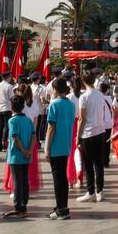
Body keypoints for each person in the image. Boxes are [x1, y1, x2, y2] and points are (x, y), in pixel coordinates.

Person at [76, 71, 109, 203]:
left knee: (89, 164)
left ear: (83, 82)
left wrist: (78, 136)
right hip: (100, 131)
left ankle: (91, 192)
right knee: (99, 164)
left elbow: (82, 119)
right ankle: (100, 191)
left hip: (88, 133)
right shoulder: (101, 95)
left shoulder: (83, 97)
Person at [45, 78, 76, 220]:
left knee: (58, 178)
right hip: (66, 144)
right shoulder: (70, 104)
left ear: (55, 90)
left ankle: (61, 209)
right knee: (63, 177)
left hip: (56, 145)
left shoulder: (54, 104)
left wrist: (46, 148)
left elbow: (51, 128)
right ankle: (63, 206)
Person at [4, 107, 34, 218]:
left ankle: (18, 207)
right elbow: (33, 135)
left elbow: (15, 138)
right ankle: (24, 206)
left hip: (16, 155)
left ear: (12, 107)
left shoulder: (12, 121)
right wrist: (29, 151)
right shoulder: (28, 120)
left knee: (17, 182)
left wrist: (22, 151)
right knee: (24, 181)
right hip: (27, 155)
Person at [0, 71, 15, 151]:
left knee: (0, 126)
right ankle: (4, 144)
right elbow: (12, 98)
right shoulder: (9, 86)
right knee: (7, 127)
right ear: (8, 77)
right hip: (7, 108)